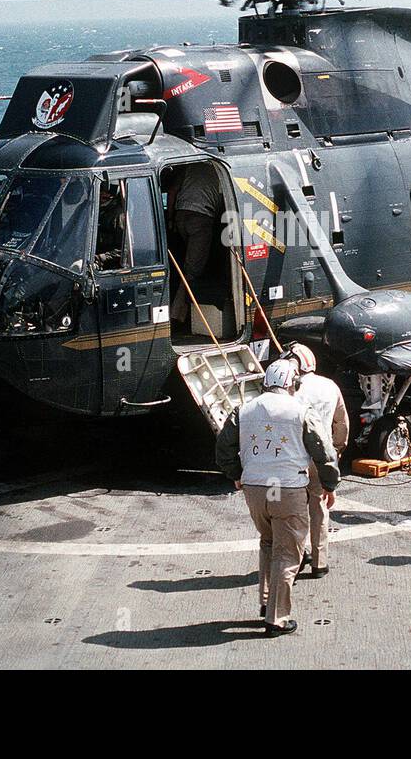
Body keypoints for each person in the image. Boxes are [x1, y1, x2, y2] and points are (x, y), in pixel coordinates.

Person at [215, 359, 340, 636]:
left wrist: (235, 473)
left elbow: (223, 448)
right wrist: (330, 484)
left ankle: (265, 601)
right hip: (289, 489)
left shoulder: (244, 410)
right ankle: (277, 619)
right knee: (287, 553)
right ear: (291, 384)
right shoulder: (301, 411)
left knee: (268, 542)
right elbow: (324, 451)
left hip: (256, 489)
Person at [283, 343, 348, 578]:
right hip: (323, 456)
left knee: (295, 511)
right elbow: (341, 422)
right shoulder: (330, 386)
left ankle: (298, 556)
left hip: (296, 457)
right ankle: (320, 562)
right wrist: (336, 451)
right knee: (319, 508)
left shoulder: (291, 389)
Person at [169, 164, 223, 328]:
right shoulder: (220, 169)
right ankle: (178, 316)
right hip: (201, 218)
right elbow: (223, 206)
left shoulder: (190, 167)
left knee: (190, 262)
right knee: (193, 270)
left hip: (181, 215)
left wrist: (170, 218)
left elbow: (172, 191)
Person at [93, 181, 125, 270]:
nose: (101, 194)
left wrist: (101, 257)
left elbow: (124, 248)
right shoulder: (93, 210)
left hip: (109, 266)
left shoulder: (118, 215)